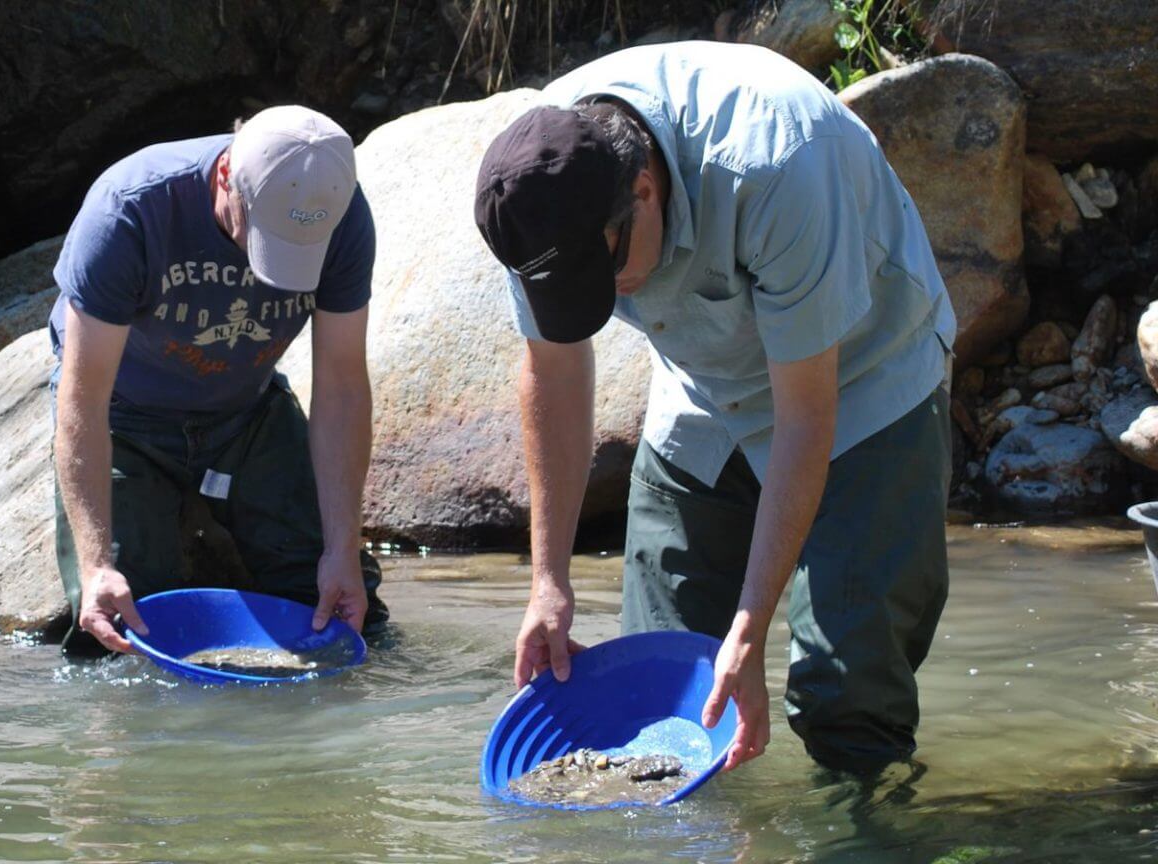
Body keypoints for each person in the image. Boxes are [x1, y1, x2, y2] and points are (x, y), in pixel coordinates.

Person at [472, 42, 955, 771]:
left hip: (862, 377)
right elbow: (553, 367)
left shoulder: (775, 160)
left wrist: (752, 627)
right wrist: (550, 580)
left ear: (643, 189)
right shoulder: (535, 192)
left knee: (843, 691)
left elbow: (804, 418)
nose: (617, 296)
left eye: (608, 273)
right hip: (702, 385)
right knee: (663, 697)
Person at [49, 105, 387, 656]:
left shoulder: (341, 216)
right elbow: (83, 399)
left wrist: (342, 548)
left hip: (246, 413)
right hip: (125, 415)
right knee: (126, 622)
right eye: (264, 236)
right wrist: (97, 564)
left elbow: (344, 389)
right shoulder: (129, 211)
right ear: (226, 175)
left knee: (339, 609)